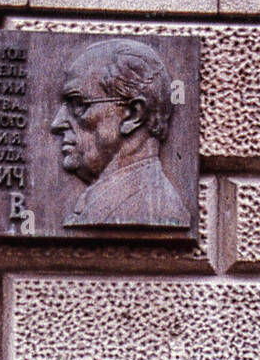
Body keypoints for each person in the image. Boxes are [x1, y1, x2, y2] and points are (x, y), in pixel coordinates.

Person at [50, 38, 191, 228]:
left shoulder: (157, 209)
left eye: (78, 104)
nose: (57, 123)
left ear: (133, 114)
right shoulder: (106, 202)